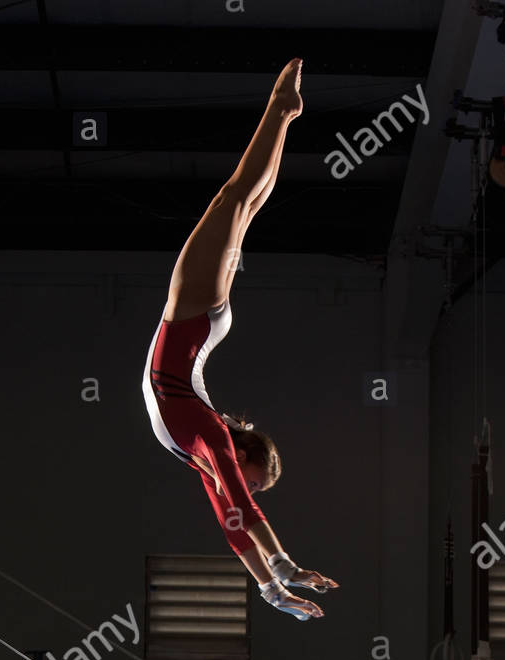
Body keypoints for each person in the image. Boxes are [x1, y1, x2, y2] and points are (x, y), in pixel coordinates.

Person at [142, 58, 338, 621]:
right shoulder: (213, 444)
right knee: (234, 199)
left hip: (201, 324)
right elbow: (245, 509)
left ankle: (285, 115)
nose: (240, 486)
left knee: (244, 205)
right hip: (191, 319)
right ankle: (281, 110)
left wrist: (274, 593)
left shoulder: (199, 458)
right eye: (249, 477)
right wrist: (285, 566)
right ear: (248, 453)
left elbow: (233, 528)